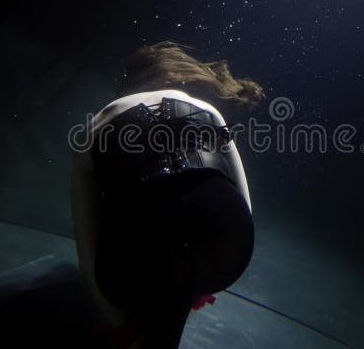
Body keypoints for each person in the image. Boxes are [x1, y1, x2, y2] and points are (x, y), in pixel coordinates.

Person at [70, 41, 264, 348]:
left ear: (129, 82)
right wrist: (206, 272)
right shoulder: (209, 110)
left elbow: (87, 252)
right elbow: (242, 202)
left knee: (162, 266)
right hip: (225, 236)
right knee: (182, 270)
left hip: (142, 244)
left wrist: (120, 326)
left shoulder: (98, 122)